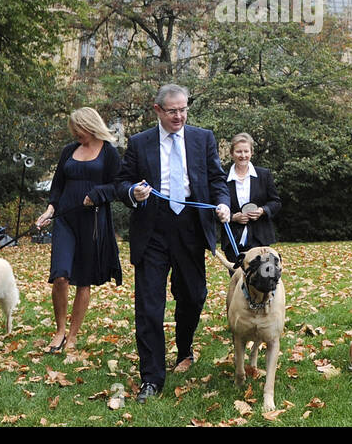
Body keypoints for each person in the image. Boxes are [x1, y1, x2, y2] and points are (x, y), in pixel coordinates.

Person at [117, 84, 230, 402]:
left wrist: (223, 203)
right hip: (152, 228)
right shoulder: (139, 143)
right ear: (157, 110)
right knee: (149, 307)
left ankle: (184, 346)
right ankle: (151, 378)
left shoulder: (202, 138)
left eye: (183, 109)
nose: (179, 115)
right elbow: (121, 182)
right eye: (172, 111)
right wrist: (132, 193)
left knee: (194, 296)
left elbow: (217, 178)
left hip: (191, 226)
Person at [34, 107, 123, 354]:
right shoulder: (68, 151)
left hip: (92, 222)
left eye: (79, 131)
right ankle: (60, 330)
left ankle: (72, 335)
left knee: (83, 280)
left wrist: (96, 195)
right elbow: (58, 185)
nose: (76, 136)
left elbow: (118, 186)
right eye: (74, 132)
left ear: (91, 126)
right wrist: (50, 210)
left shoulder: (109, 152)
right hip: (65, 219)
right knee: (60, 275)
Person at [223, 133, 282, 264]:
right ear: (232, 153)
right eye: (238, 151)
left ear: (251, 153)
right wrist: (233, 217)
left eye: (246, 151)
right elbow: (214, 208)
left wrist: (262, 210)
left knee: (261, 279)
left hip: (260, 238)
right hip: (234, 239)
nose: (243, 155)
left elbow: (276, 202)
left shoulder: (263, 175)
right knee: (238, 280)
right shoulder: (223, 178)